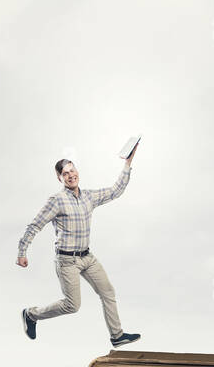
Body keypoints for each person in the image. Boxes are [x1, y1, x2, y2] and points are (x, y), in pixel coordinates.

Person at [17, 147, 140, 347]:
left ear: (77, 172)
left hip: (87, 258)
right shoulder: (56, 201)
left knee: (108, 291)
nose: (70, 175)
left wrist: (127, 163)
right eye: (65, 173)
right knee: (72, 305)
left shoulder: (88, 197)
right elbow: (35, 225)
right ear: (60, 178)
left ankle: (117, 336)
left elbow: (115, 191)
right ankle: (31, 315)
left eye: (72, 171)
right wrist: (22, 251)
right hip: (67, 261)